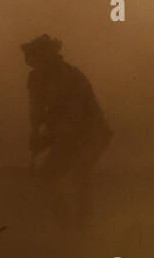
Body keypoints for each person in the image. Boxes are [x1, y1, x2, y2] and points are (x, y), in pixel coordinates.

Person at [21, 34, 111, 221]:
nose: (35, 63)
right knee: (45, 178)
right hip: (66, 132)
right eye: (33, 59)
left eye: (40, 57)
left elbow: (73, 117)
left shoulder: (72, 77)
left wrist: (47, 138)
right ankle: (66, 223)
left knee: (80, 171)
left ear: (52, 55)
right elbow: (36, 112)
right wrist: (36, 135)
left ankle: (84, 222)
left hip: (92, 131)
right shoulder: (35, 78)